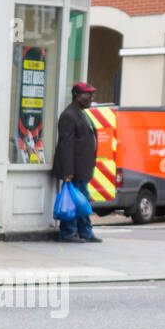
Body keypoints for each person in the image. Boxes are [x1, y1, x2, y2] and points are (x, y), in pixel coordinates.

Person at [53, 82, 101, 243]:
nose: (91, 98)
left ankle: (85, 231)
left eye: (92, 95)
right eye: (88, 95)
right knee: (74, 203)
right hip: (74, 170)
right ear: (77, 96)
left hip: (82, 169)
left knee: (82, 202)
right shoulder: (69, 115)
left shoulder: (81, 113)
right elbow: (66, 145)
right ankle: (68, 233)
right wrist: (68, 172)